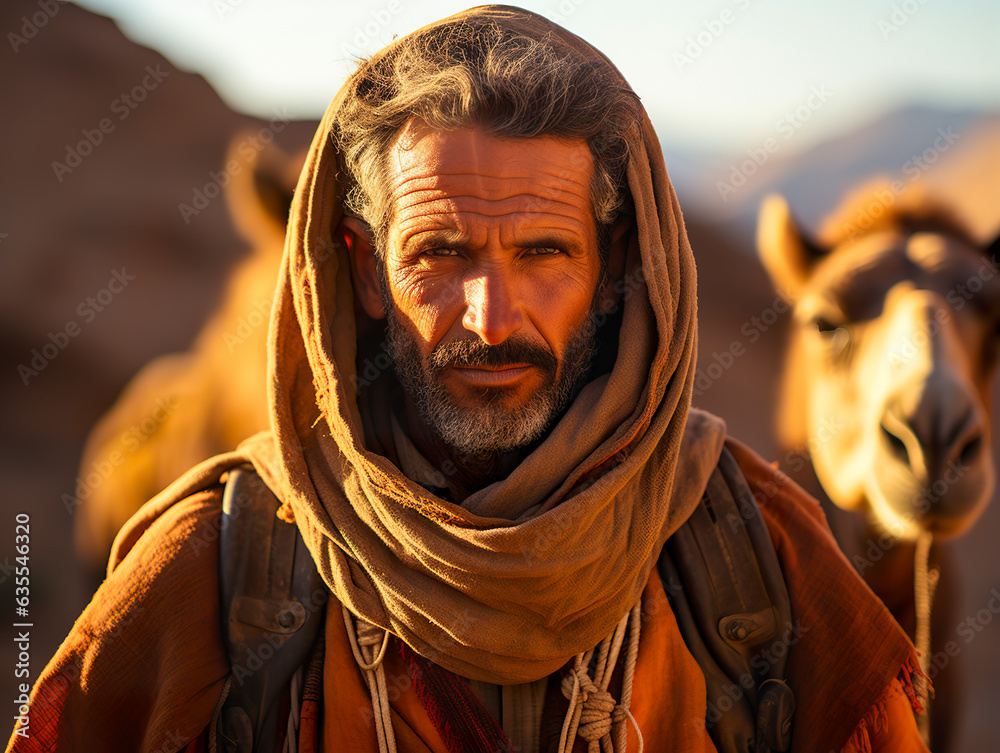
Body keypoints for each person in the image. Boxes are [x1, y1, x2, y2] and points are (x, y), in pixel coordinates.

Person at [9, 6, 928, 753]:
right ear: (363, 269)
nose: (492, 318)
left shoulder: (766, 567)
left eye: (545, 254)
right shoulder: (211, 567)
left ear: (616, 270)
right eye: (441, 253)